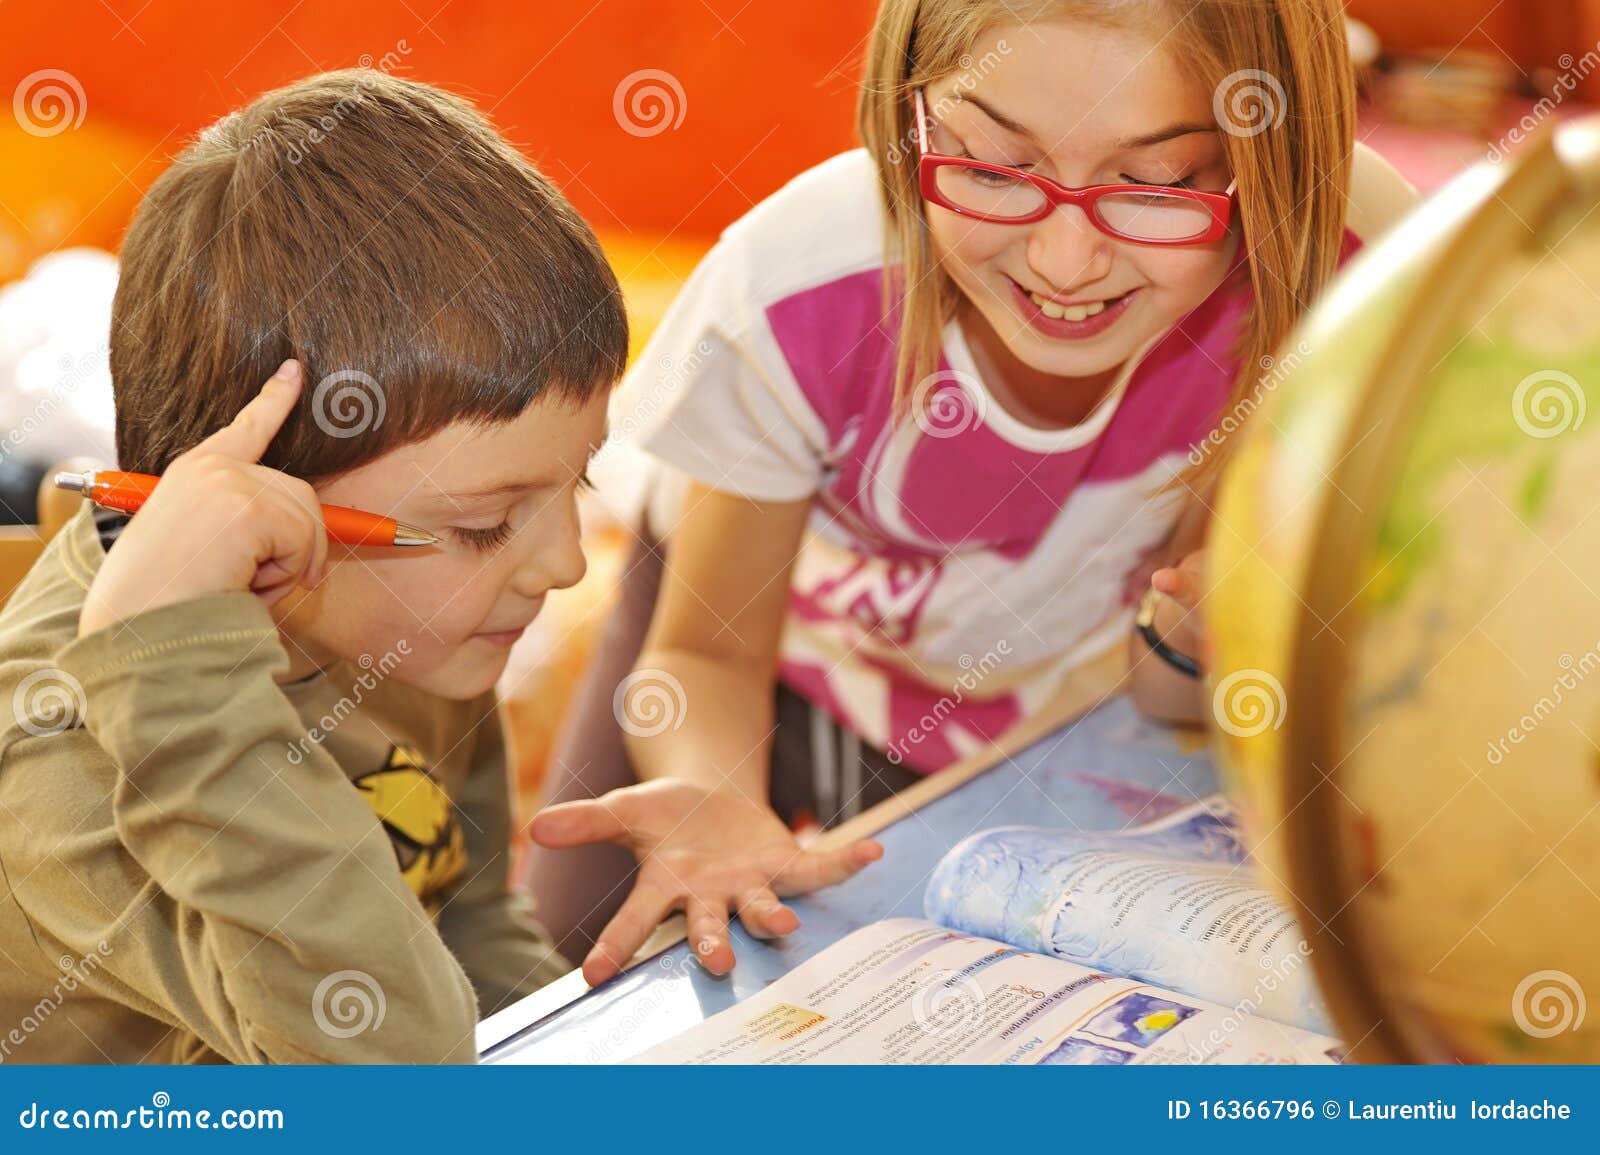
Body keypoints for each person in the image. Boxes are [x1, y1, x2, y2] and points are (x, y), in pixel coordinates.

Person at [527, 0, 1418, 980]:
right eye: (993, 168)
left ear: (1275, 155)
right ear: (905, 112)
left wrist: (1218, 632)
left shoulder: (1344, 266)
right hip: (739, 618)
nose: (1062, 263)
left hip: (1048, 651)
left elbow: (1172, 675)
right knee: (584, 940)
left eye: (1159, 183)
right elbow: (702, 653)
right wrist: (711, 807)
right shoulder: (794, 289)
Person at [0, 70, 628, 1063]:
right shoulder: (60, 773)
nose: (563, 565)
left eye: (576, 484)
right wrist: (180, 697)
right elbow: (394, 1077)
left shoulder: (408, 633)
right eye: (482, 525)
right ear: (264, 514)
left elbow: (460, 919)